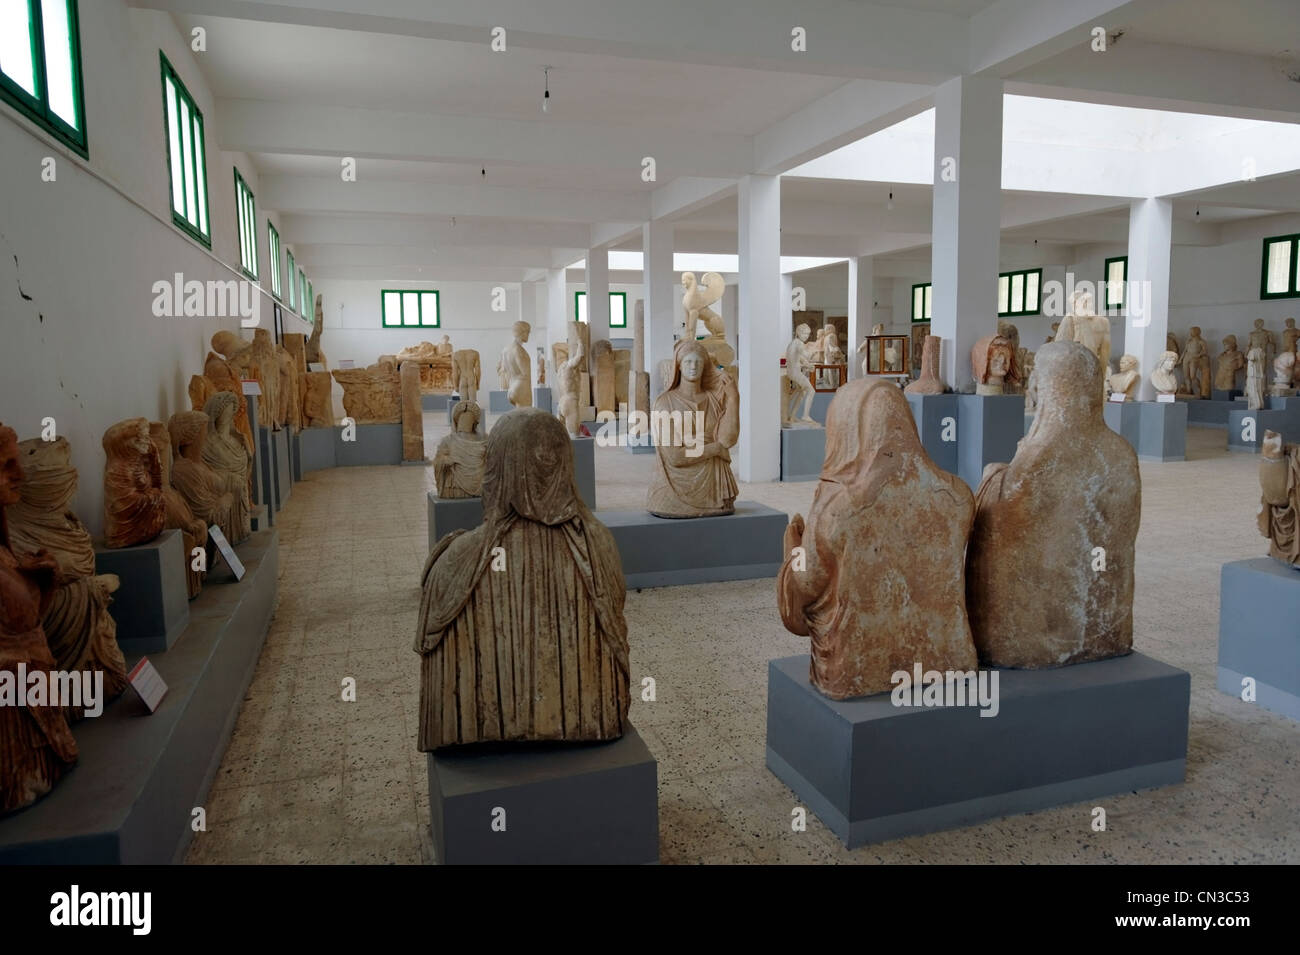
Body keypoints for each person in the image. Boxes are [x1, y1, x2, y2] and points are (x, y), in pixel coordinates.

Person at [415, 409, 630, 748]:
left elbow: (430, 643)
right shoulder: (599, 546)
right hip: (590, 719)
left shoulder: (455, 565)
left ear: (498, 468)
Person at [646, 340, 740, 518]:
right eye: (688, 362)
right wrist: (715, 448)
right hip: (676, 489)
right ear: (679, 366)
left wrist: (734, 398)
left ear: (705, 366)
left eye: (698, 362)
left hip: (714, 485)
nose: (693, 366)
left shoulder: (713, 399)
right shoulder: (665, 403)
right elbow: (674, 456)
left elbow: (728, 440)